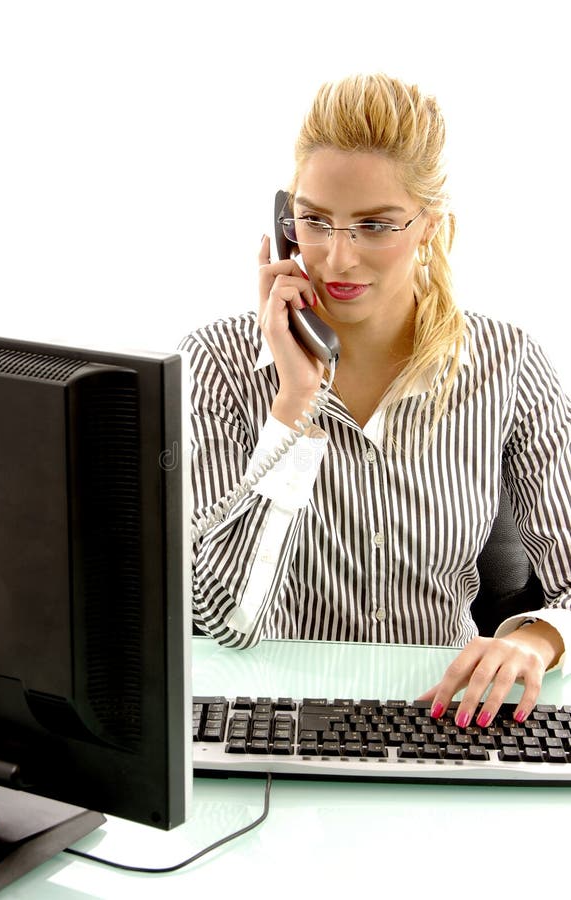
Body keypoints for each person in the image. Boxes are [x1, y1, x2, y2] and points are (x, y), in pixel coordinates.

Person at [178, 73, 571, 729]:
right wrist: (293, 409)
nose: (337, 258)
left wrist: (536, 639)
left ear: (429, 227)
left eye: (375, 226)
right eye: (315, 221)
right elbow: (221, 618)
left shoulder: (507, 365)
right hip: (276, 723)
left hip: (445, 718)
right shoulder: (217, 363)